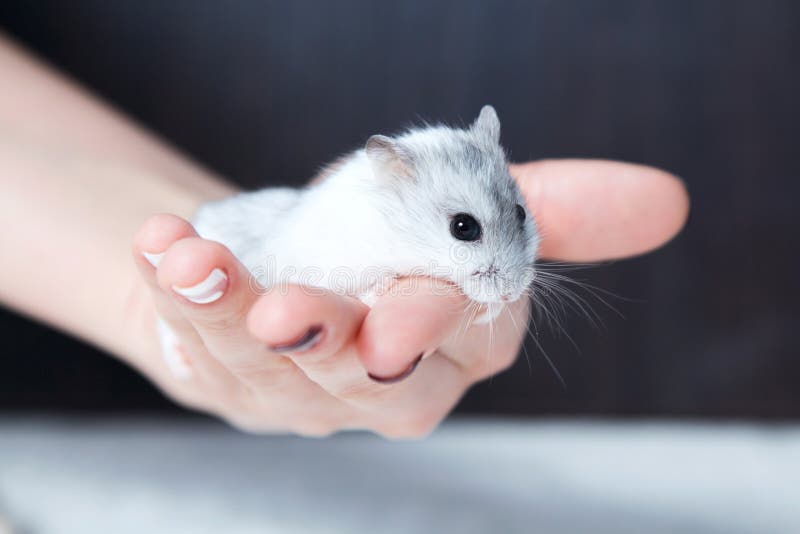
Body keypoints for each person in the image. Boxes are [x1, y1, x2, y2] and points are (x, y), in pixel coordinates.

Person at [0, 33, 689, 438]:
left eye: (516, 222)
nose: (508, 269)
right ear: (391, 175)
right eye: (464, 229)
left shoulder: (467, 190)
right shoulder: (363, 199)